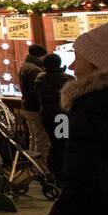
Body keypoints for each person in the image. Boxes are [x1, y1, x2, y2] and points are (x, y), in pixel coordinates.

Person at [42, 22, 108, 215]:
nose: (72, 65)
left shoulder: (92, 111)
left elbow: (85, 187)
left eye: (78, 57)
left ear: (99, 64)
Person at [37, 53, 75, 181]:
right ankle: (61, 173)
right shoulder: (67, 78)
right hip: (62, 116)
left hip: (46, 115)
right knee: (62, 144)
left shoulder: (40, 78)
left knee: (54, 142)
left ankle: (54, 171)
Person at [18, 43, 49, 160]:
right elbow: (37, 91)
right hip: (35, 107)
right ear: (40, 56)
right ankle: (41, 167)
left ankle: (32, 165)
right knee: (42, 138)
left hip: (26, 106)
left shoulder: (25, 66)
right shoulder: (35, 70)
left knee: (33, 136)